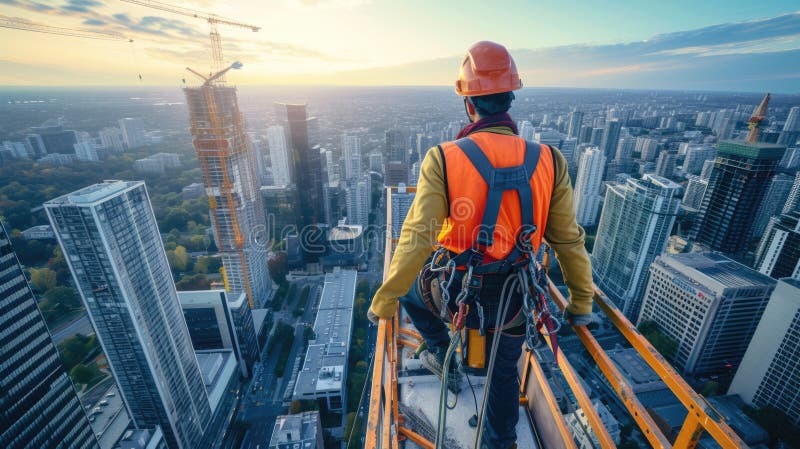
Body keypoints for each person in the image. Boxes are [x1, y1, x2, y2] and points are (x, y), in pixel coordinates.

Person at [368, 41, 594, 449]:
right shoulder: (550, 159)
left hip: (456, 298)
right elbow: (569, 241)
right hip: (515, 304)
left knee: (412, 293)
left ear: (468, 104)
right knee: (504, 375)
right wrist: (581, 302)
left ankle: (439, 351)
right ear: (510, 100)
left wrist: (385, 298)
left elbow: (418, 238)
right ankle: (500, 443)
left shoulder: (444, 157)